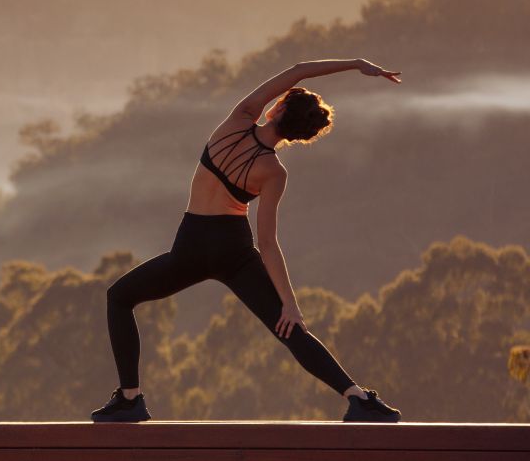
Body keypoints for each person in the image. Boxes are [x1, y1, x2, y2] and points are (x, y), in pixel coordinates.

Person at [90, 58, 403, 423]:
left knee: (119, 297)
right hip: (232, 249)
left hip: (190, 245)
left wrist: (356, 64)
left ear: (279, 108)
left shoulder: (240, 119)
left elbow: (298, 69)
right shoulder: (274, 171)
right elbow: (268, 242)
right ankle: (358, 398)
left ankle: (130, 399)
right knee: (289, 328)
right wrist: (290, 305)